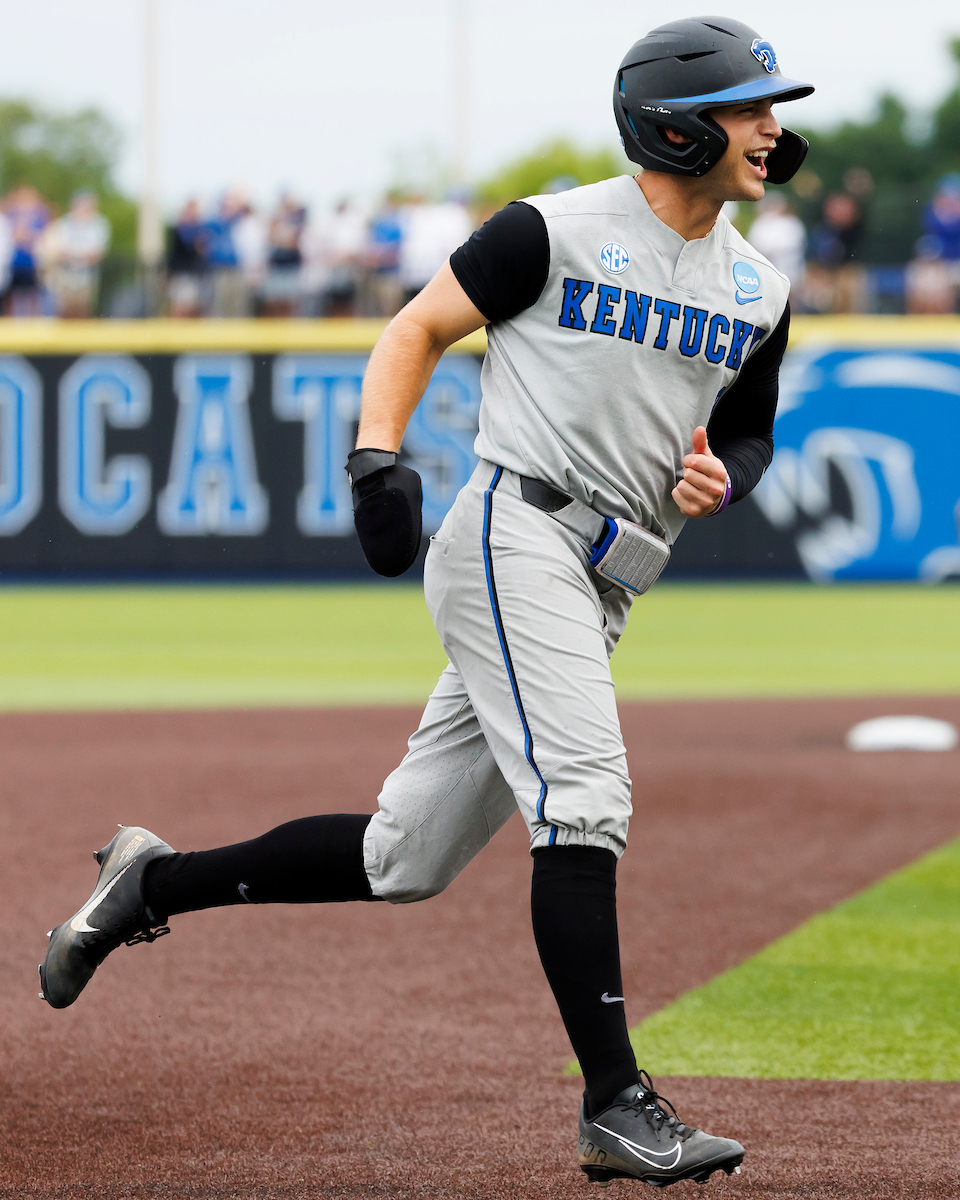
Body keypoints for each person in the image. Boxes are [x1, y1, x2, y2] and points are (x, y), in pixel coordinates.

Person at [40, 16, 812, 1190]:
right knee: (586, 797)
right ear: (676, 121)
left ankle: (150, 882)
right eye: (751, 106)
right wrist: (374, 460)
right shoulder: (553, 230)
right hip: (517, 535)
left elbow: (750, 431)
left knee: (405, 858)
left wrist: (729, 476)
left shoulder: (760, 282)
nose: (772, 127)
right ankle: (615, 1104)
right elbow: (419, 327)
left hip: (607, 578)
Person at [41, 190, 111, 318]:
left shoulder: (99, 224)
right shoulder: (64, 224)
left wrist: (76, 256)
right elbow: (57, 250)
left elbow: (97, 252)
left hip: (87, 275)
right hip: (65, 274)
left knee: (83, 308)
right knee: (64, 308)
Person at [746, 192, 806, 292]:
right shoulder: (760, 223)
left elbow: (793, 244)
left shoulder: (792, 223)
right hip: (763, 270)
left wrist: (774, 250)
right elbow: (753, 243)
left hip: (789, 269)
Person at [167, 199, 206, 317]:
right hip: (182, 273)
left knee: (192, 304)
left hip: (192, 272)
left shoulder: (196, 229)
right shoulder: (181, 230)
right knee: (181, 304)